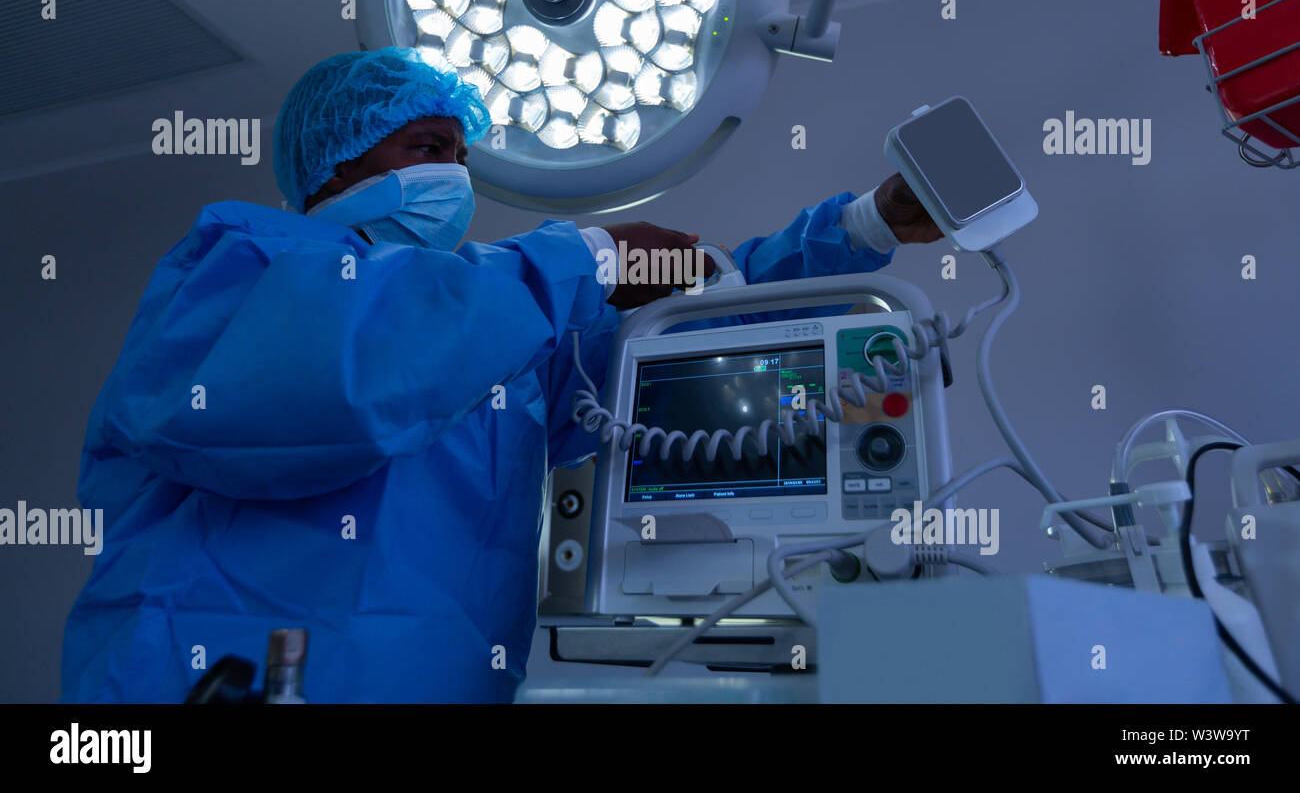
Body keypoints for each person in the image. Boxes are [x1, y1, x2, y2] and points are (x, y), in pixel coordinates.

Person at [60, 47, 940, 702]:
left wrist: (861, 230)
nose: (453, 174)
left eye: (461, 155)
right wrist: (580, 262)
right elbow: (342, 383)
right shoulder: (245, 259)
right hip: (197, 678)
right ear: (337, 162)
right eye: (425, 146)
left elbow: (681, 331)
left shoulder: (508, 328)